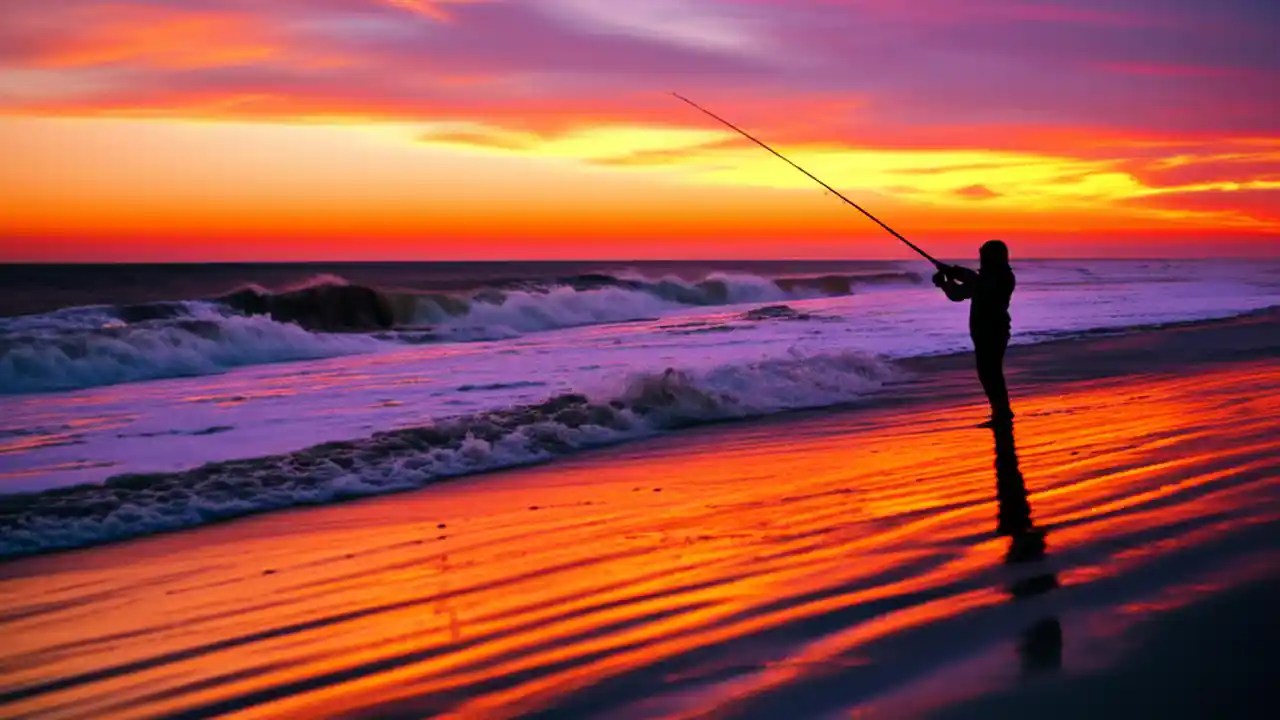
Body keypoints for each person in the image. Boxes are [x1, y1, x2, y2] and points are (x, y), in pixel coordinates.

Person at [933, 240, 1016, 425]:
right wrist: (948, 280)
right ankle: (1001, 411)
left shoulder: (1000, 278)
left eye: (985, 255)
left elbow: (970, 286)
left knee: (990, 372)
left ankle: (1001, 413)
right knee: (990, 372)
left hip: (993, 331)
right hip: (987, 331)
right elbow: (960, 292)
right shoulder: (995, 276)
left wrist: (951, 276)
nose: (981, 259)